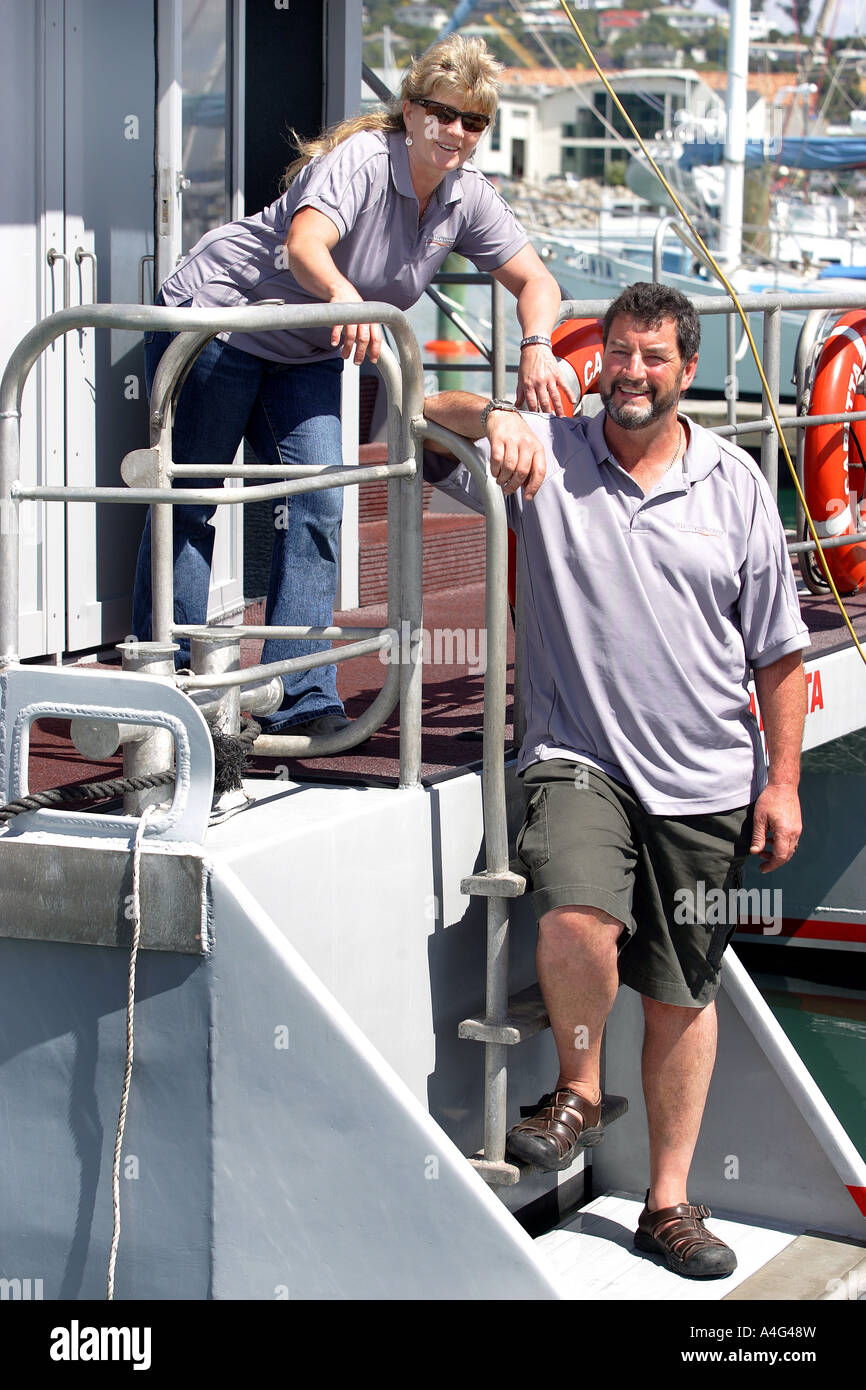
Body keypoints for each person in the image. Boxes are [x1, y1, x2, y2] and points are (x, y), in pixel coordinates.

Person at [423, 281, 809, 1279]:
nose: (629, 373)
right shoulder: (547, 457)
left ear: (686, 372)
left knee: (683, 992)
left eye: (651, 358)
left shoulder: (733, 490)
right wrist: (499, 414)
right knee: (574, 917)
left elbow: (776, 657)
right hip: (574, 756)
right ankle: (580, 1088)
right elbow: (419, 409)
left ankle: (667, 1204)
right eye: (619, 355)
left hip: (706, 780)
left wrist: (783, 783)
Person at [132, 35, 571, 737]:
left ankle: (302, 693)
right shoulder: (365, 161)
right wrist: (346, 297)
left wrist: (538, 345)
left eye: (474, 121)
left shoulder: (465, 194)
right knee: (191, 501)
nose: (456, 131)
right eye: (442, 113)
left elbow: (535, 281)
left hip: (306, 347)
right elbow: (306, 242)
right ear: (410, 110)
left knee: (320, 507)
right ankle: (171, 684)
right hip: (215, 321)